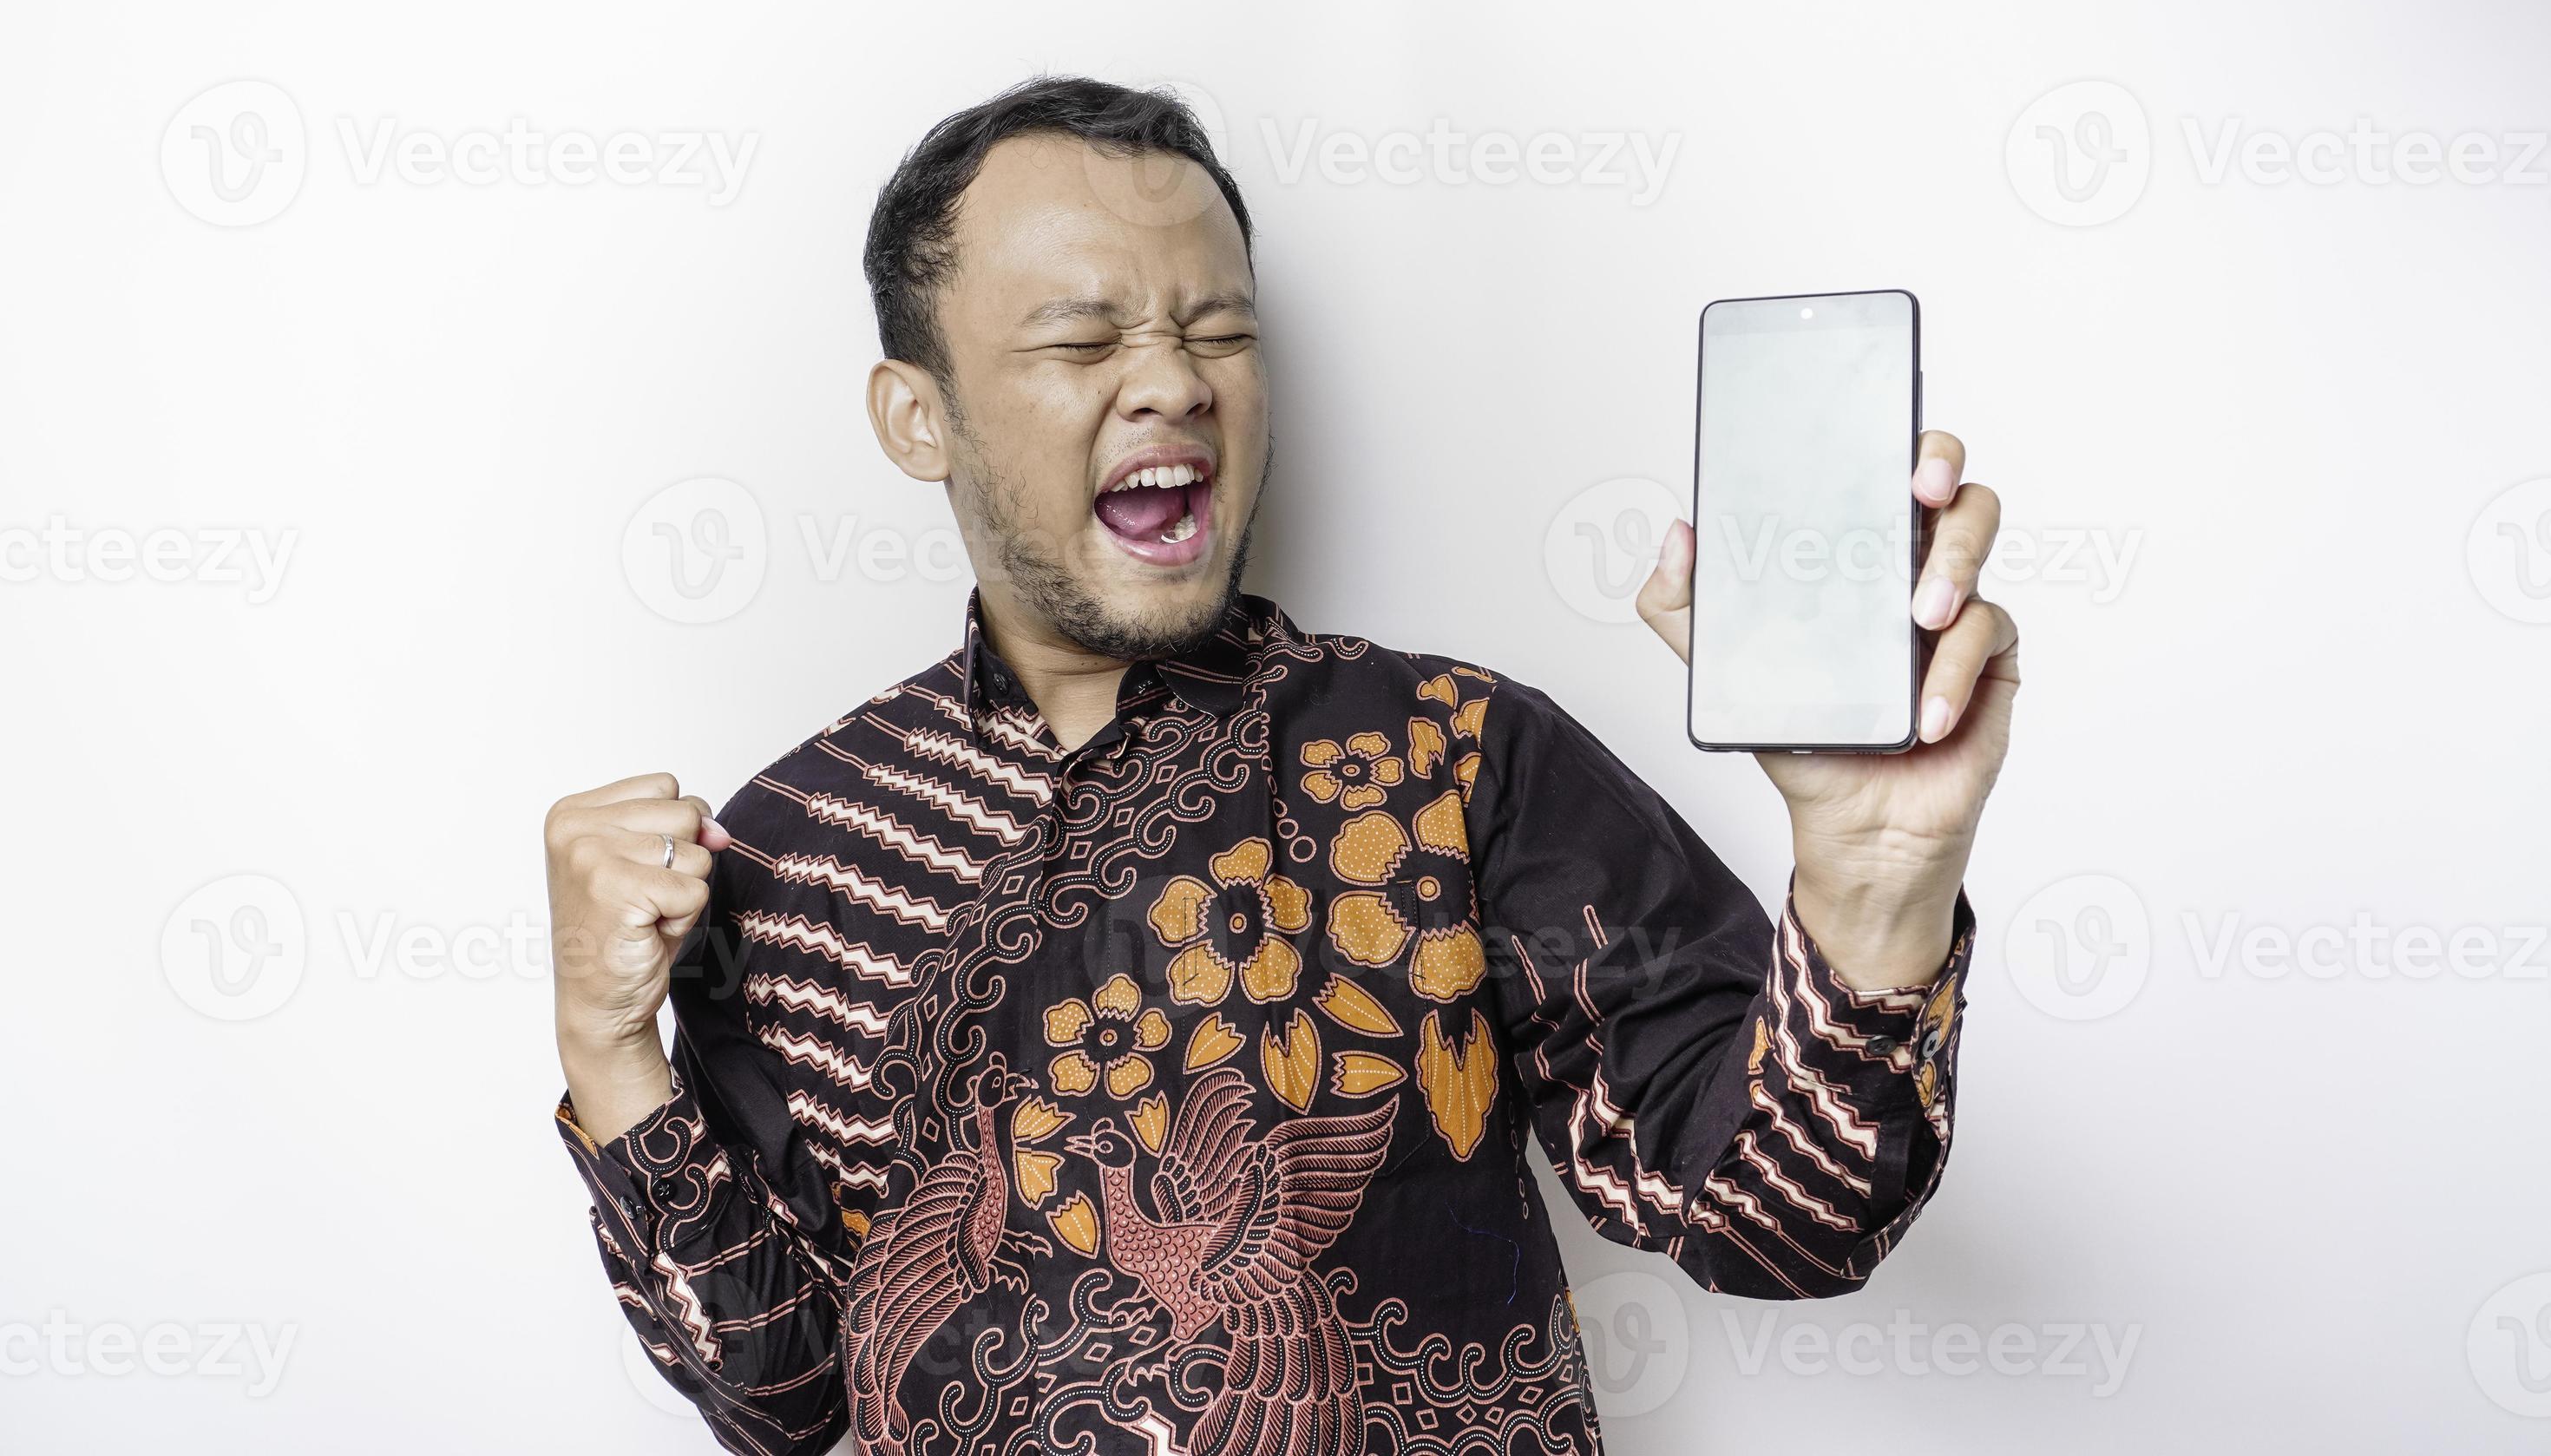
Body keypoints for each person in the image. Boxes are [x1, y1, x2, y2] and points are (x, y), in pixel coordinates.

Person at [541, 78, 2018, 1456]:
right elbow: (781, 1391)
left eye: (1220, 332)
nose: (1174, 383)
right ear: (918, 416)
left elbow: (1784, 1224)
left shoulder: (1453, 755)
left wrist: (1874, 887)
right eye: (1083, 337)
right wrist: (611, 1055)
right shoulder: (797, 853)